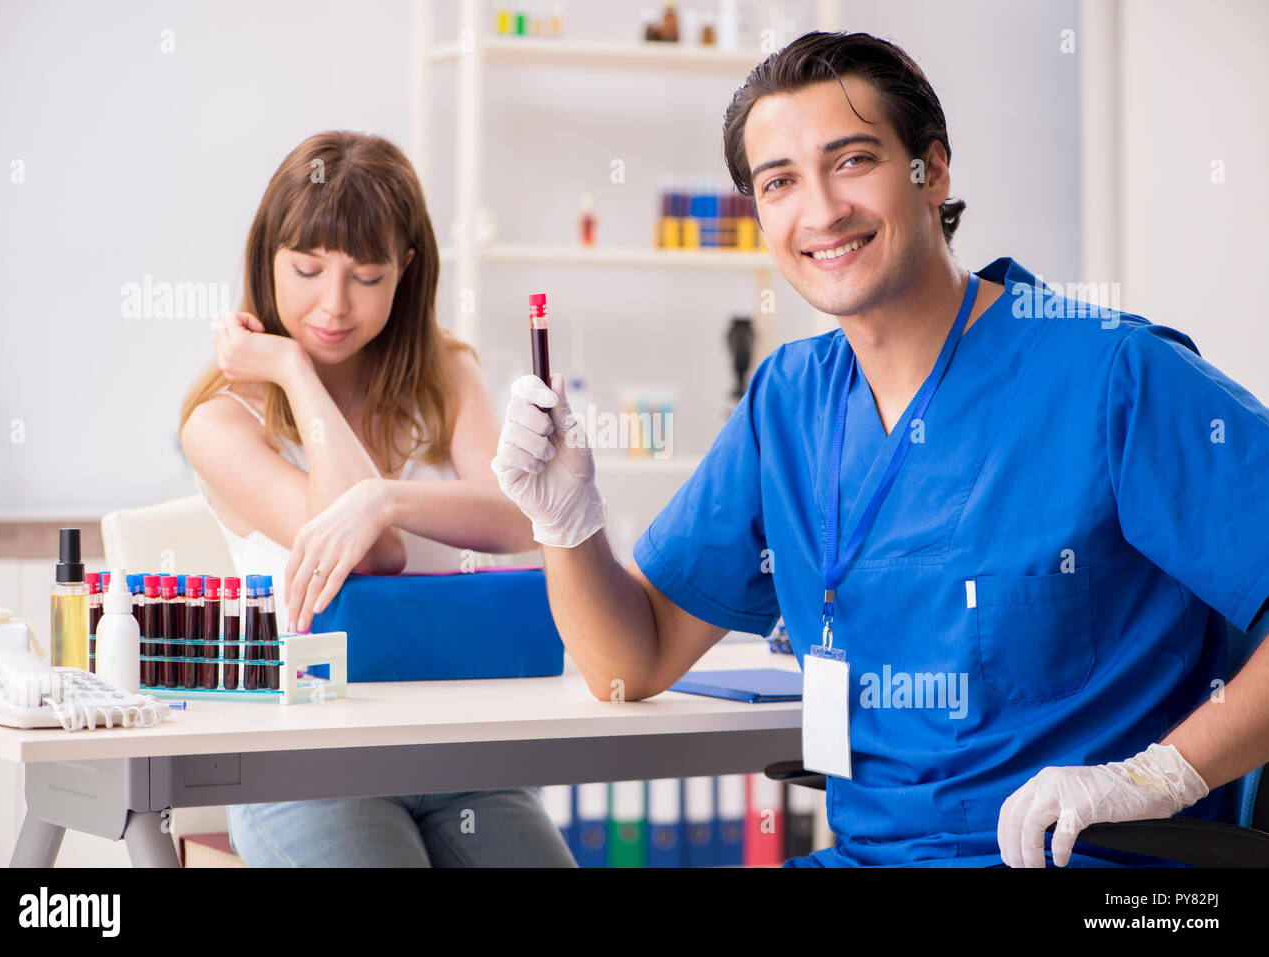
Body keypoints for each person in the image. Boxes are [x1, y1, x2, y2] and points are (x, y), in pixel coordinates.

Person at [488, 32, 1269, 868]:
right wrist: (565, 520)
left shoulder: (1112, 375)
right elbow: (628, 661)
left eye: (853, 160)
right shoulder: (788, 402)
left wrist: (1159, 776)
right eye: (780, 182)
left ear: (932, 170)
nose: (821, 211)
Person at [178, 130, 575, 867]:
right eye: (306, 269)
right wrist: (294, 372)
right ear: (267, 258)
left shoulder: (444, 369)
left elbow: (521, 515)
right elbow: (368, 553)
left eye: (366, 276)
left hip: (464, 756)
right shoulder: (221, 421)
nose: (333, 305)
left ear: (406, 269)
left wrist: (385, 499)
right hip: (306, 766)